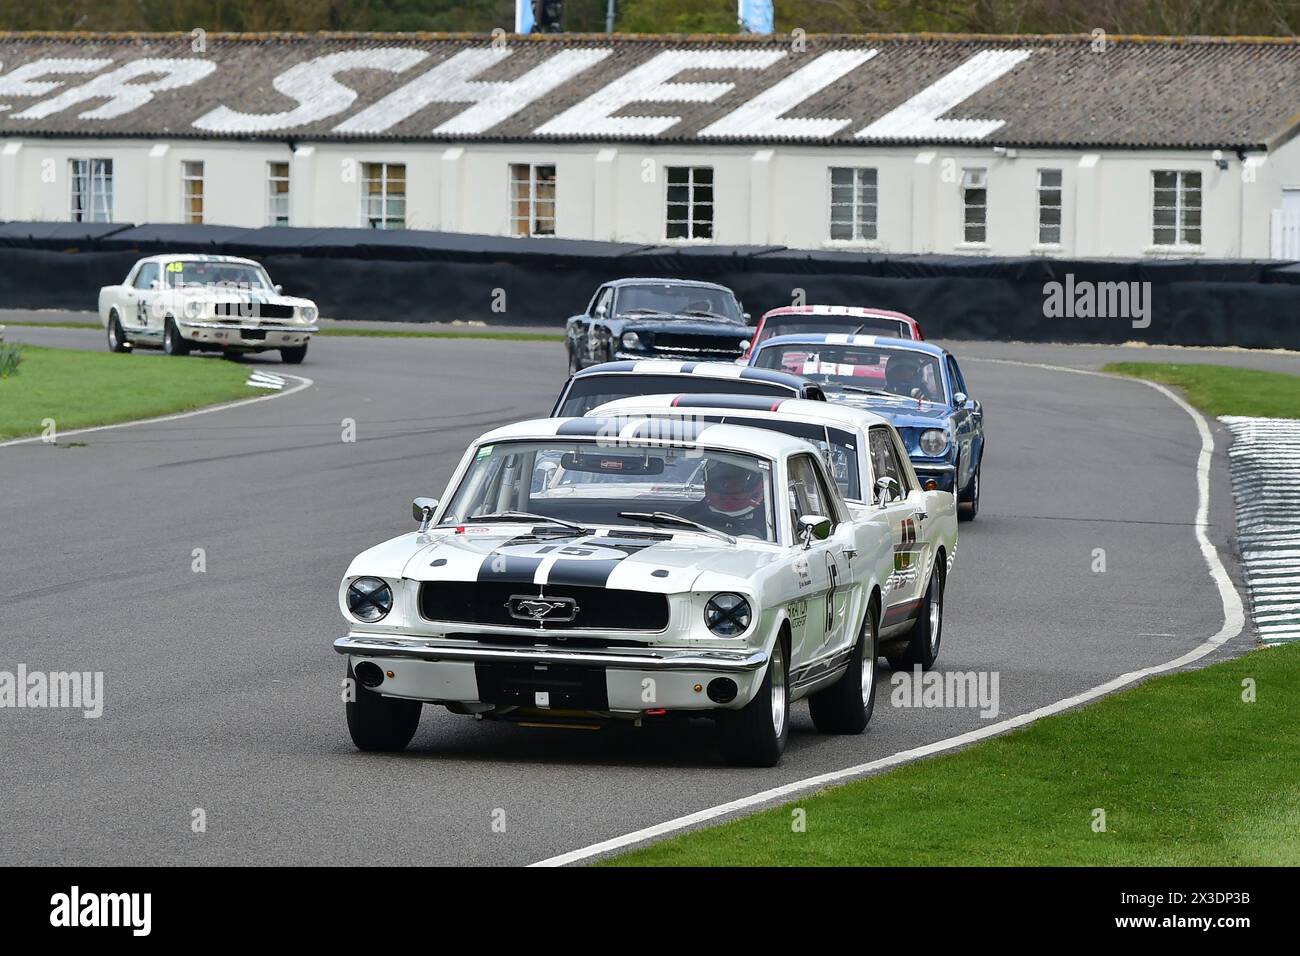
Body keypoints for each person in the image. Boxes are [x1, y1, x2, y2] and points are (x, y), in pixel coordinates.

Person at [682, 460, 769, 538]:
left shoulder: (770, 516)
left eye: (737, 480)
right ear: (710, 481)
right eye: (721, 480)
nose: (727, 485)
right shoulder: (688, 514)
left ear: (754, 482)